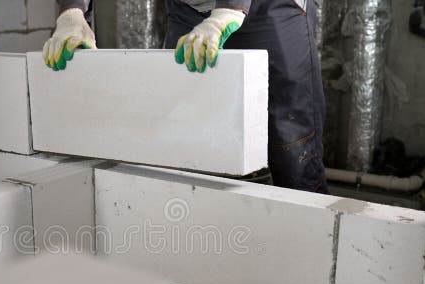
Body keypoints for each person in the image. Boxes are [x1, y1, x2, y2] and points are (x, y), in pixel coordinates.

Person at [44, 0, 328, 193]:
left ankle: (309, 238)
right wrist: (72, 11)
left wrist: (229, 8)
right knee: (186, 128)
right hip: (190, 6)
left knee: (288, 136)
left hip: (270, 7)